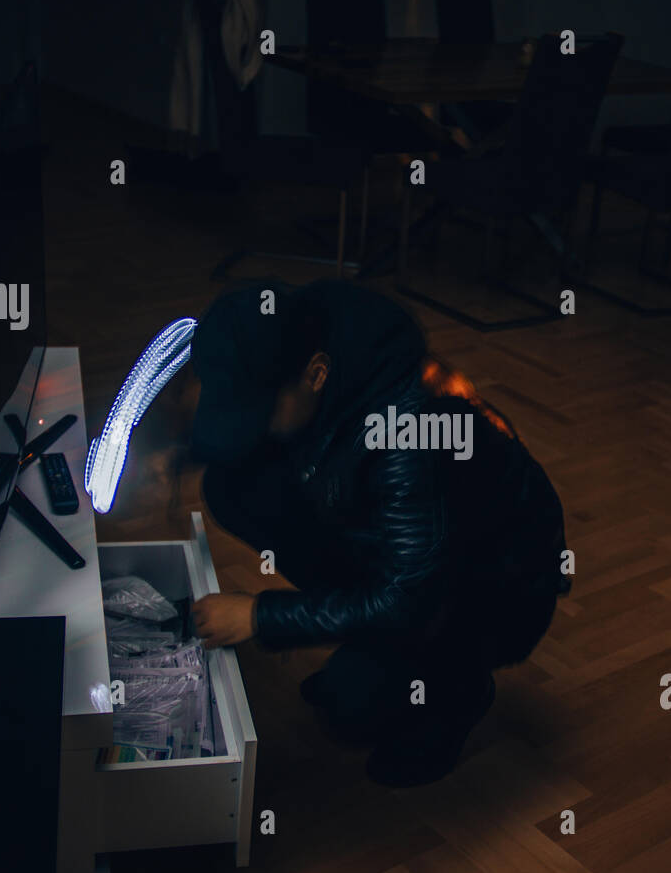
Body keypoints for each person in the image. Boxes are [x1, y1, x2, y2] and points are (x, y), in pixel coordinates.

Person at [189, 279, 568, 786]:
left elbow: (409, 597)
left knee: (352, 707)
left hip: (493, 593)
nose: (250, 424)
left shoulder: (411, 436)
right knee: (234, 485)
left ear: (317, 374)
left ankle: (457, 691)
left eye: (258, 408)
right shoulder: (309, 342)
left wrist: (262, 616)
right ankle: (374, 643)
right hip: (416, 548)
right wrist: (174, 458)